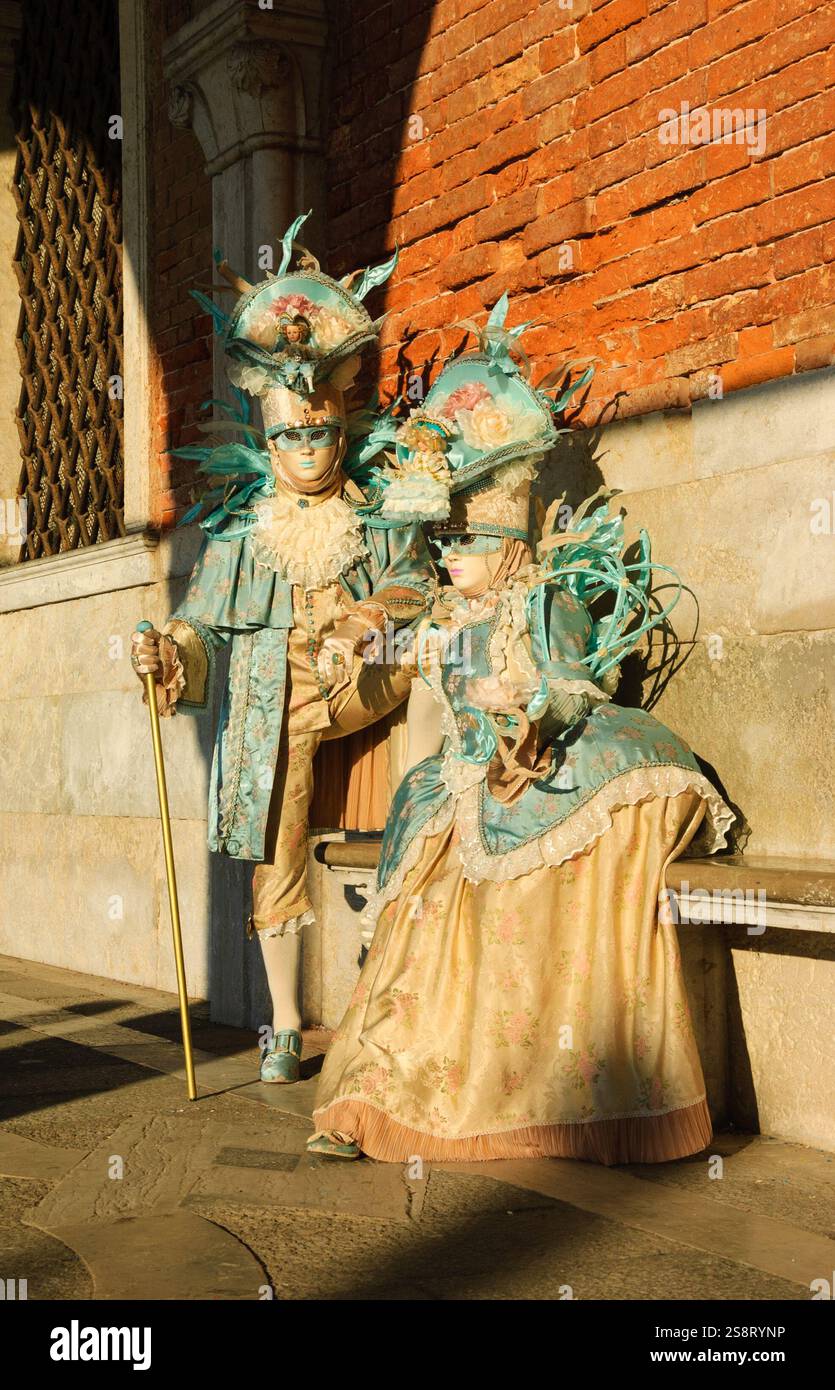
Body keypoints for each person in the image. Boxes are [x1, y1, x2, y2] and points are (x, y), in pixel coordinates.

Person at [309, 311, 734, 1164]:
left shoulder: (541, 604)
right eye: (444, 541)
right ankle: (378, 1092)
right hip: (459, 784)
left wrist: (530, 723)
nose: (450, 555)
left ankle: (544, 1093)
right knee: (422, 914)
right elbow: (389, 647)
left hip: (541, 768)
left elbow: (569, 688)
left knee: (530, 879)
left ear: (507, 544)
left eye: (466, 542)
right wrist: (343, 639)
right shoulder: (438, 615)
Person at [131, 215, 435, 1085]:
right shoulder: (240, 533)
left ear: (342, 428)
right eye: (291, 436)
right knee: (268, 812)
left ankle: (399, 965)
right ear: (266, 441)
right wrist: (167, 653)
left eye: (321, 432)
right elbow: (201, 627)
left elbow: (414, 591)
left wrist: (358, 624)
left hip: (372, 676)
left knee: (441, 688)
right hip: (284, 694)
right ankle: (286, 1021)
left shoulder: (376, 512)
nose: (308, 448)